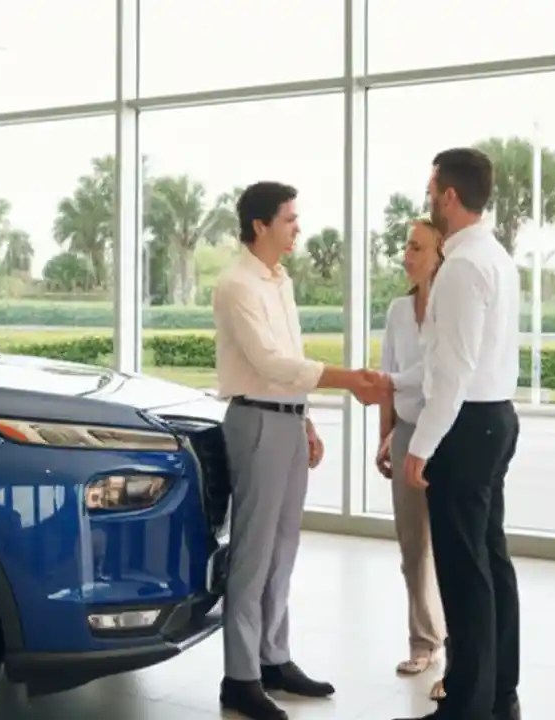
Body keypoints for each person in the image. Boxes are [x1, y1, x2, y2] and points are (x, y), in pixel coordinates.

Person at [213, 180, 388, 720]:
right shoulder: (237, 284)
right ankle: (240, 678)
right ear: (260, 225)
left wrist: (306, 419)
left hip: (286, 422)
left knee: (284, 547)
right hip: (256, 424)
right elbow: (268, 363)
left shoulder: (279, 281)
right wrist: (346, 378)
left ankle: (273, 657)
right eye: (289, 219)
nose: (297, 227)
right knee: (253, 552)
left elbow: (291, 358)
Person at [392, 148, 522, 720]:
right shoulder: (495, 257)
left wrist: (420, 446)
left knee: (464, 570)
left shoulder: (462, 267)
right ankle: (499, 691)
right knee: (490, 560)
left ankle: (466, 704)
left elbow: (455, 369)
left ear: (448, 195)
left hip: (466, 426)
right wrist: (392, 381)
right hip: (494, 418)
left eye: (431, 189)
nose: (429, 199)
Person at [375, 218, 448, 680]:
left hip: (445, 436)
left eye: (418, 247)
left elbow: (428, 376)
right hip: (405, 433)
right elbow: (387, 376)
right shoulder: (398, 313)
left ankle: (456, 638)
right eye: (407, 246)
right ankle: (423, 640)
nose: (408, 255)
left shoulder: (451, 308)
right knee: (412, 545)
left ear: (440, 256)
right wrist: (385, 436)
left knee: (449, 543)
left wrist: (390, 384)